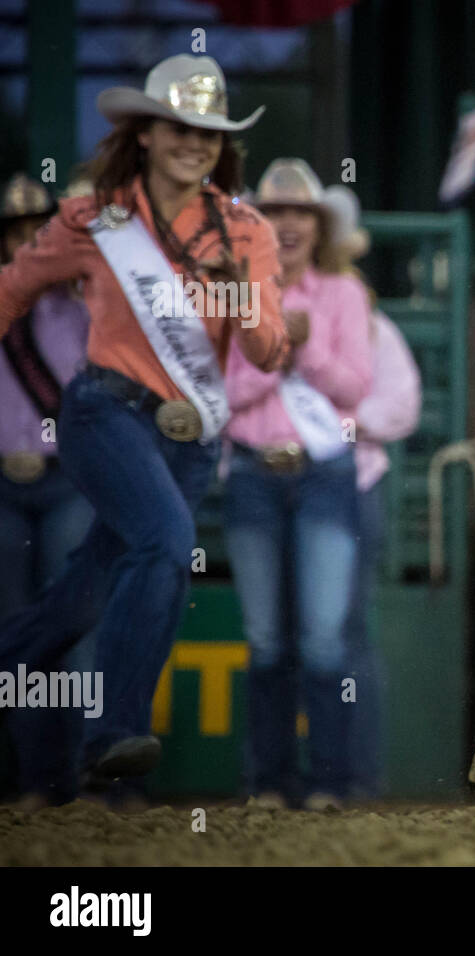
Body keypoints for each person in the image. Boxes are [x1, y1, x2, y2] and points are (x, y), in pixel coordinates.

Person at [0, 54, 286, 783]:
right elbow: (14, 288)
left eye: (211, 133)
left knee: (82, 599)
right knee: (165, 539)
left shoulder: (245, 230)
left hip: (190, 438)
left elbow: (268, 351)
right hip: (103, 413)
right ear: (148, 134)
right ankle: (116, 730)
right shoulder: (93, 219)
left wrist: (240, 294)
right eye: (180, 127)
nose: (196, 142)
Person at [223, 159, 372, 811]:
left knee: (321, 637)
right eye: (273, 214)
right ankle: (268, 781)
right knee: (265, 641)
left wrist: (303, 348)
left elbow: (353, 388)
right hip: (253, 473)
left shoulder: (343, 293)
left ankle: (330, 782)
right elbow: (222, 394)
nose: (287, 225)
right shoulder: (231, 295)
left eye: (299, 214)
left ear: (319, 227)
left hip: (325, 474)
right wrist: (284, 347)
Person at [323, 183, 422, 799]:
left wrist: (340, 425)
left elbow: (400, 406)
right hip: (283, 480)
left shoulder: (369, 322)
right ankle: (283, 781)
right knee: (281, 637)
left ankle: (352, 780)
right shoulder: (259, 318)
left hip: (351, 481)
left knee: (342, 631)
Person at [0, 174, 95, 808]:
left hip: (71, 479)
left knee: (77, 627)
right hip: (2, 485)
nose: (29, 241)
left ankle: (92, 780)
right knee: (16, 632)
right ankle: (36, 780)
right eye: (17, 232)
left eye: (42, 231)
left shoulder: (86, 307)